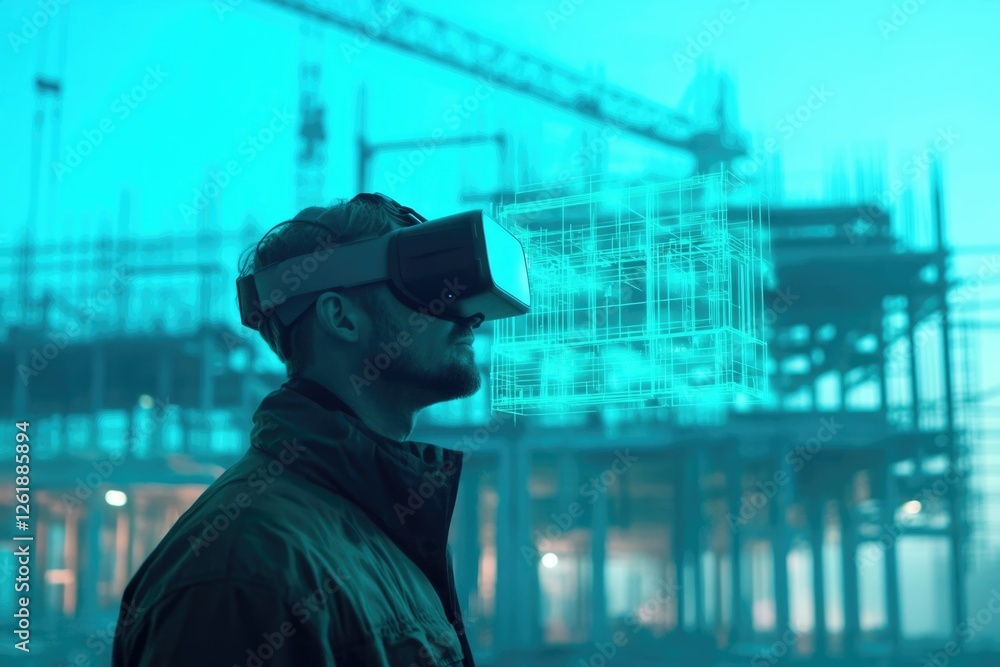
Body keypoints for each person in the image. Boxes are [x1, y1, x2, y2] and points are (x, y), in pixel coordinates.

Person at [113, 194, 482, 666]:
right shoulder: (241, 571)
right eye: (423, 284)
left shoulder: (380, 528)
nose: (468, 313)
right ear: (341, 317)